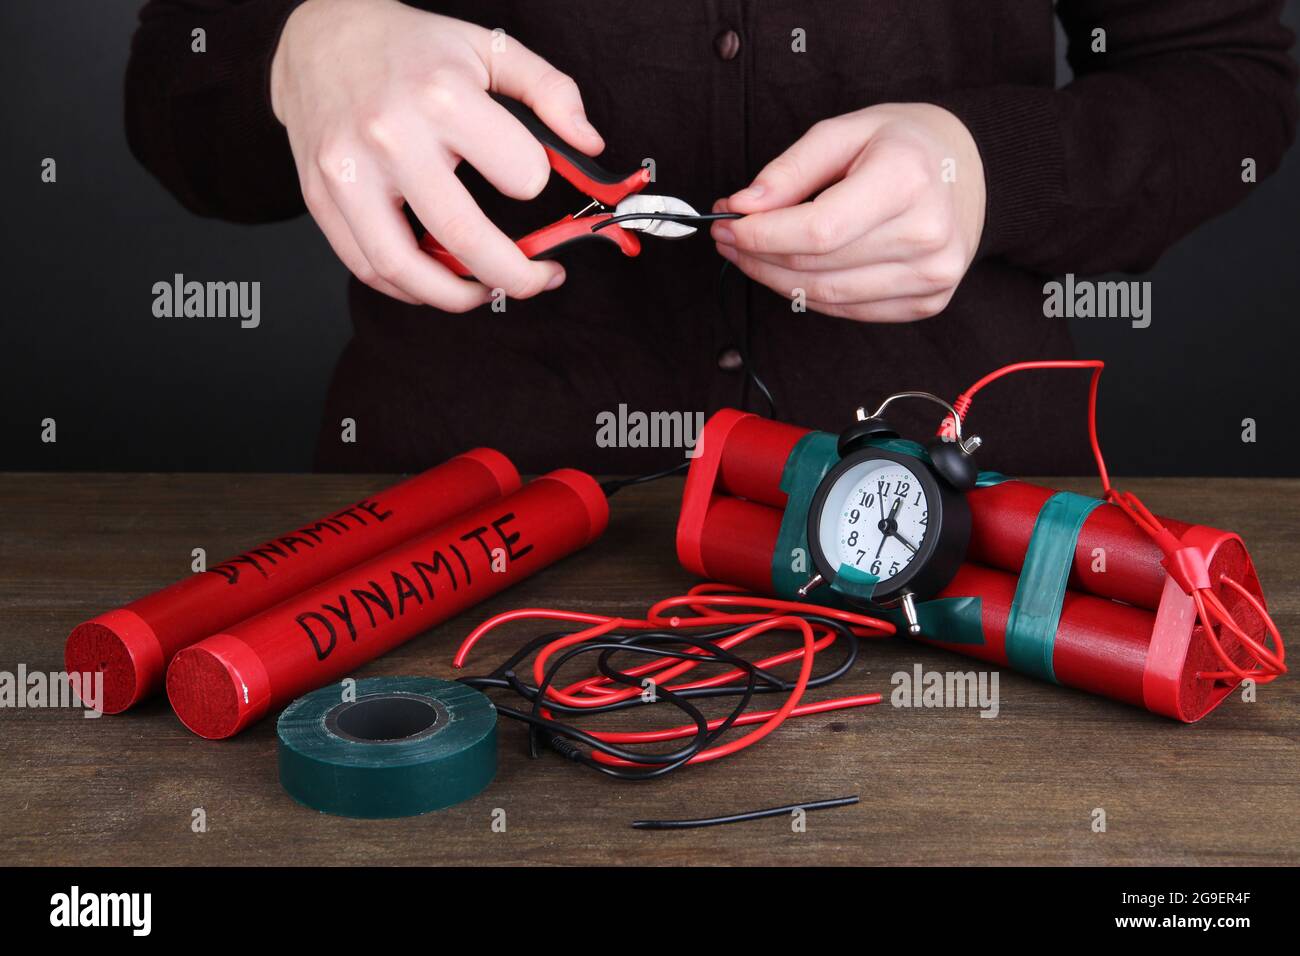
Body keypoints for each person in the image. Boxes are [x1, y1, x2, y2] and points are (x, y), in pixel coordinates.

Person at [125, 0, 1297, 474]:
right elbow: (174, 101)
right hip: (441, 566)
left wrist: (998, 169)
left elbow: (1230, 77)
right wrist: (296, 43)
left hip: (965, 562)